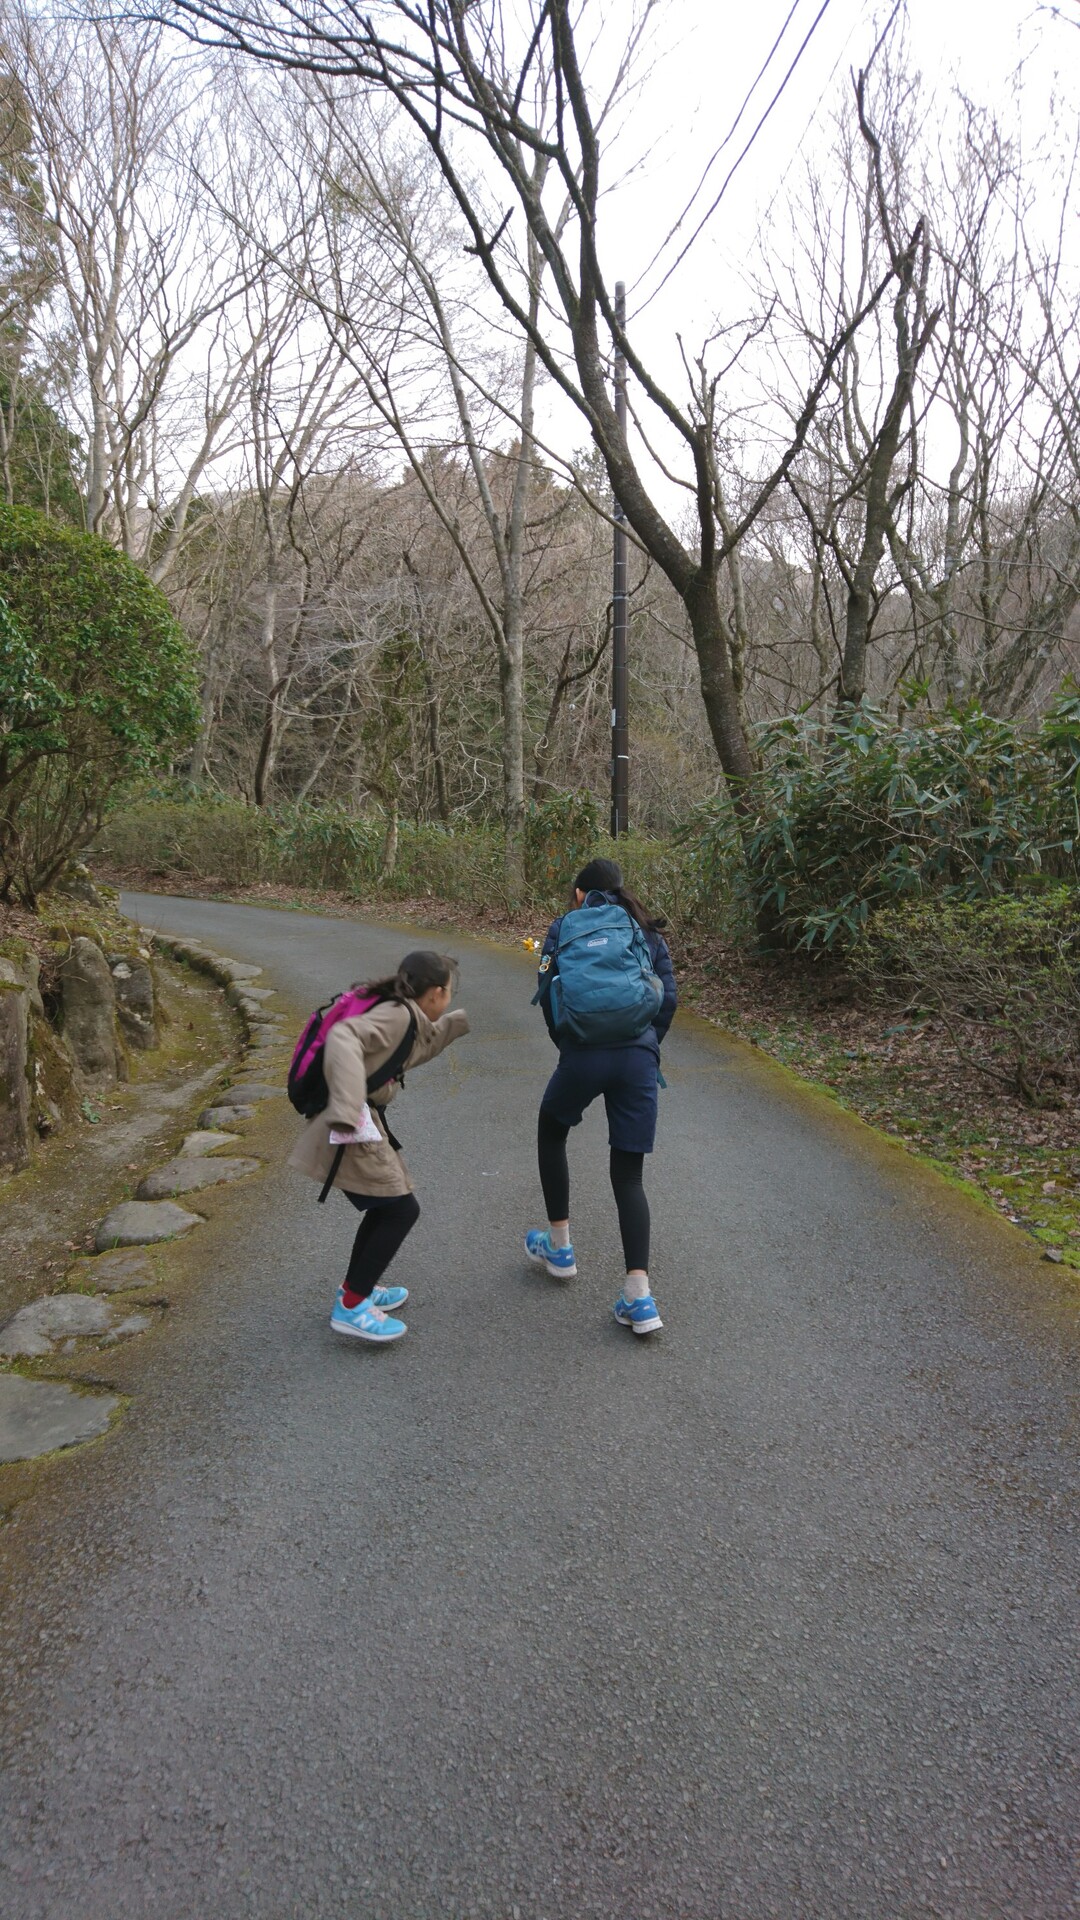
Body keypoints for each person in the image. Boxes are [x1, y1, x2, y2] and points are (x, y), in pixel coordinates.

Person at [526, 857, 677, 1334]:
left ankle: (560, 1246)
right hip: (637, 1059)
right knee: (629, 1176)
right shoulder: (646, 930)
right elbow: (668, 995)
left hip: (583, 1054)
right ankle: (640, 1297)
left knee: (551, 1132)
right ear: (621, 889)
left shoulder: (561, 929)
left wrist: (571, 1043)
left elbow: (546, 984)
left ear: (578, 894)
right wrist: (647, 1043)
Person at [289, 950, 468, 1344]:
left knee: (386, 1204)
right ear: (436, 992)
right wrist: (348, 1105)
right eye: (450, 993)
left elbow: (409, 1050)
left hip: (358, 1120)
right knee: (400, 1209)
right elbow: (344, 1037)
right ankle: (352, 1306)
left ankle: (359, 1290)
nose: (449, 999)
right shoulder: (398, 1015)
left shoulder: (401, 1010)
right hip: (350, 1123)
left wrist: (458, 1024)